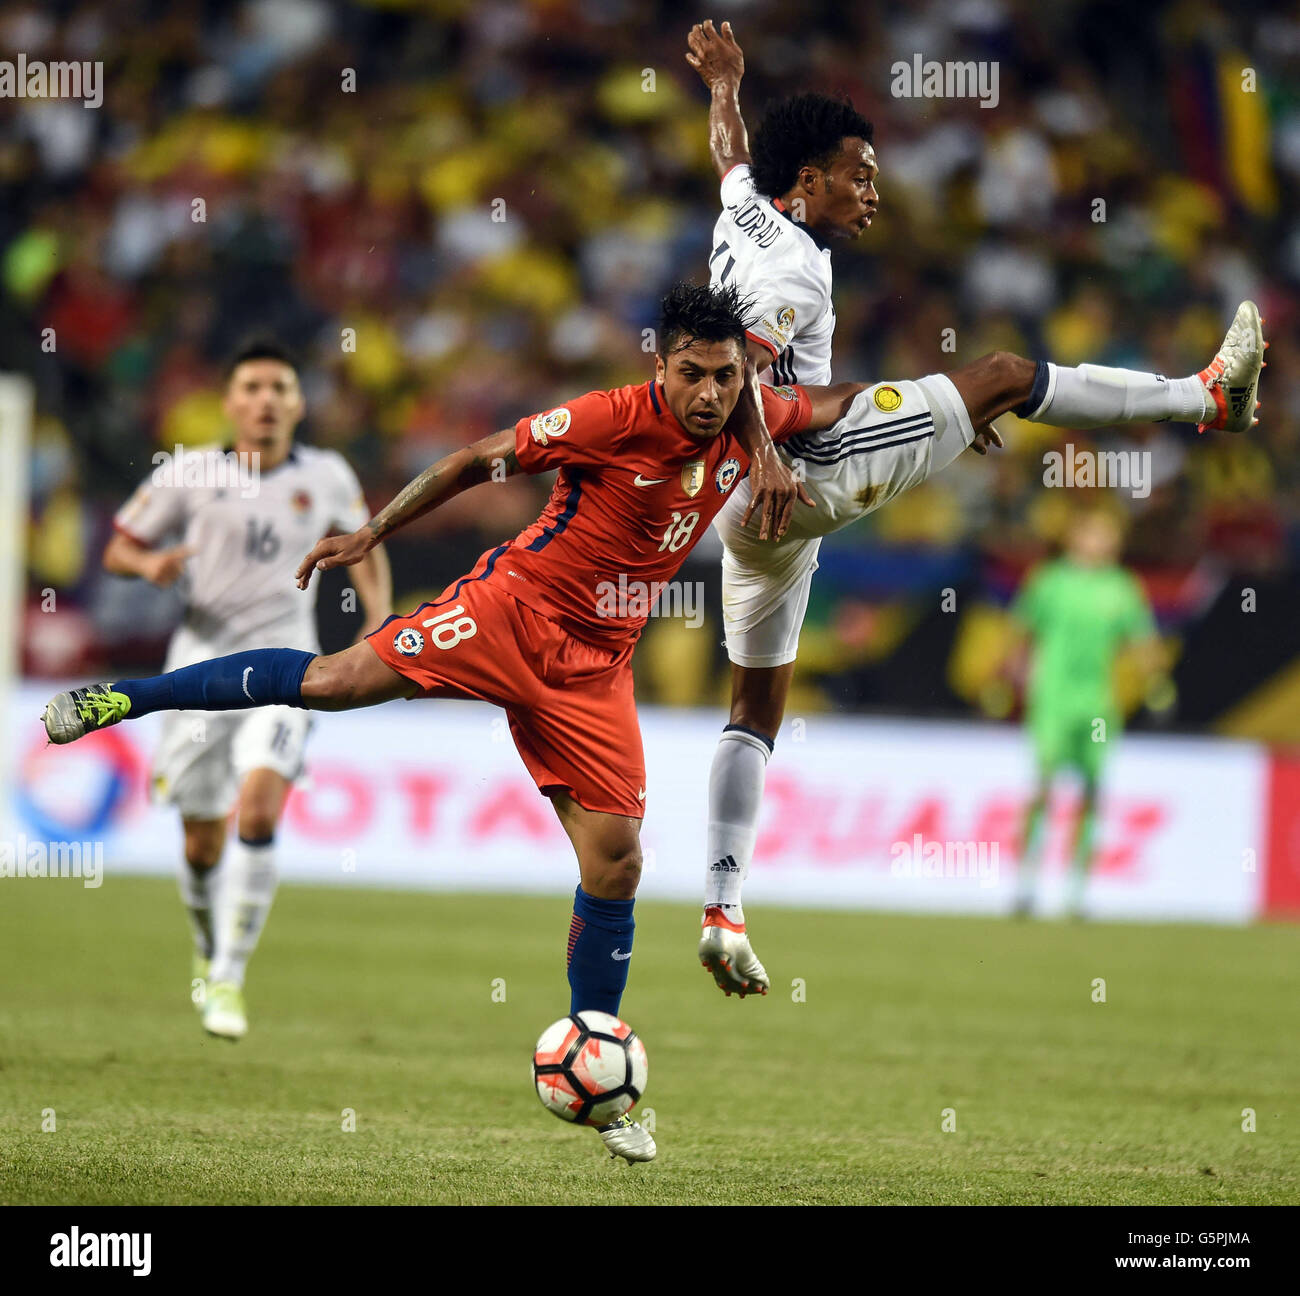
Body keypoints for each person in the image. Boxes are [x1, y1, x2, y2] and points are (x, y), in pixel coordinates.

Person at [42, 283, 1264, 1151]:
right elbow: (478, 456)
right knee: (332, 683)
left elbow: (830, 406)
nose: (705, 392)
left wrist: (959, 419)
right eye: (688, 373)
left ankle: (601, 1067)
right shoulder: (607, 417)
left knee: (619, 858)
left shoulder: (759, 420)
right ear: (659, 364)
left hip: (597, 668)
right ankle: (125, 701)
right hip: (511, 609)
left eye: (724, 375)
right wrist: (374, 531)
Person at [686, 18, 1264, 996]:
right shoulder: (791, 267)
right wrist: (774, 458)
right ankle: (1206, 398)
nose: (872, 192)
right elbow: (735, 362)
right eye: (857, 175)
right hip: (799, 475)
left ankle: (721, 906)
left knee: (752, 711)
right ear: (810, 185)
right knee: (998, 371)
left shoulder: (747, 209)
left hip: (743, 516)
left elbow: (729, 158)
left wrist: (724, 88)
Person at [105, 337, 391, 1041]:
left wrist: (378, 619)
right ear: (230, 402)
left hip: (287, 669)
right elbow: (117, 546)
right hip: (200, 668)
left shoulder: (325, 473)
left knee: (259, 812)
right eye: (253, 387)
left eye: (280, 388)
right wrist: (149, 568)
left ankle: (229, 974)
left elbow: (365, 542)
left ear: (297, 402)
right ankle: (208, 946)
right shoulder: (189, 472)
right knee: (201, 844)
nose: (266, 400)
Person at [1009, 508, 1163, 920]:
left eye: (1107, 536)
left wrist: (1156, 681)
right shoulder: (1049, 581)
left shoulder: (1122, 588)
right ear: (1075, 537)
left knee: (1092, 793)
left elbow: (1143, 639)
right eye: (1093, 533)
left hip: (1097, 705)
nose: (1101, 543)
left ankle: (1077, 892)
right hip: (1052, 701)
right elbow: (1023, 634)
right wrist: (1008, 679)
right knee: (1043, 788)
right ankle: (1025, 884)